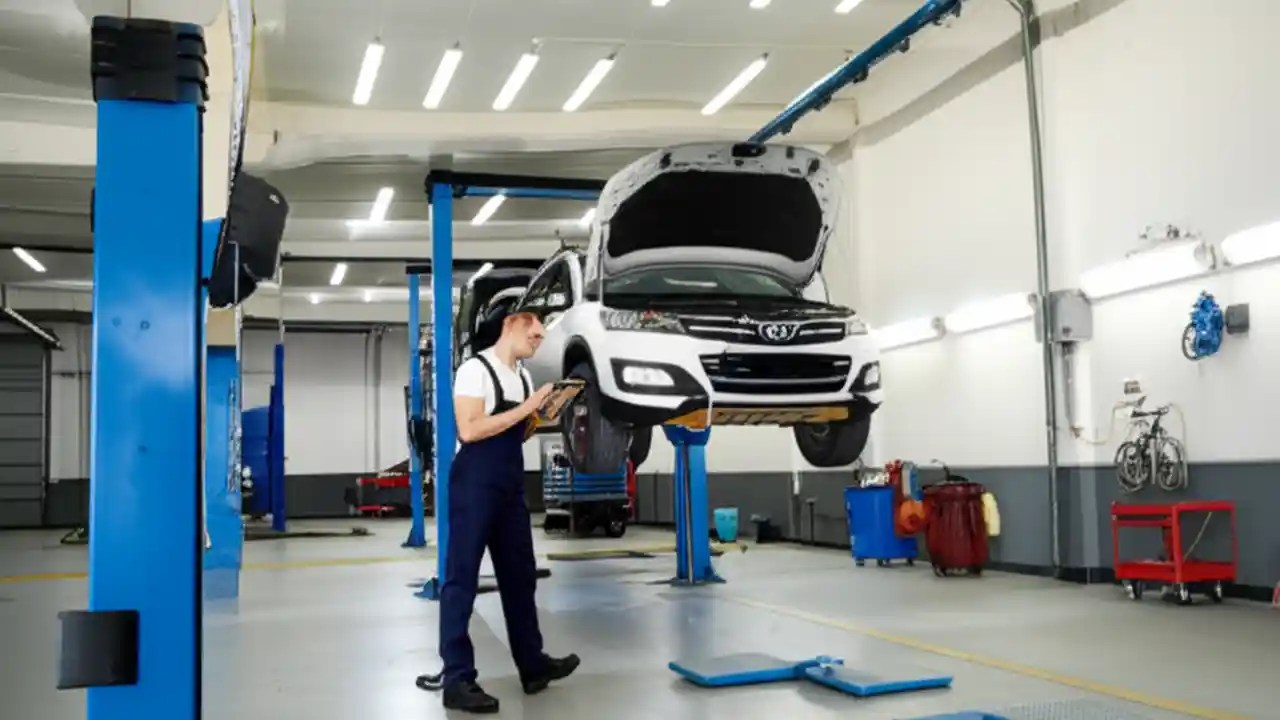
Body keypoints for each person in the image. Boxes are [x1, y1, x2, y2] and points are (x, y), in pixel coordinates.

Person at [435, 305, 580, 713]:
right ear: (511, 324)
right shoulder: (474, 370)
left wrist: (543, 413)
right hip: (475, 484)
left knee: (520, 577)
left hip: (510, 484)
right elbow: (470, 428)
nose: (538, 343)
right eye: (534, 335)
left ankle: (533, 666)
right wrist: (527, 406)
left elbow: (516, 429)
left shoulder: (524, 376)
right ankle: (457, 679)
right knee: (460, 579)